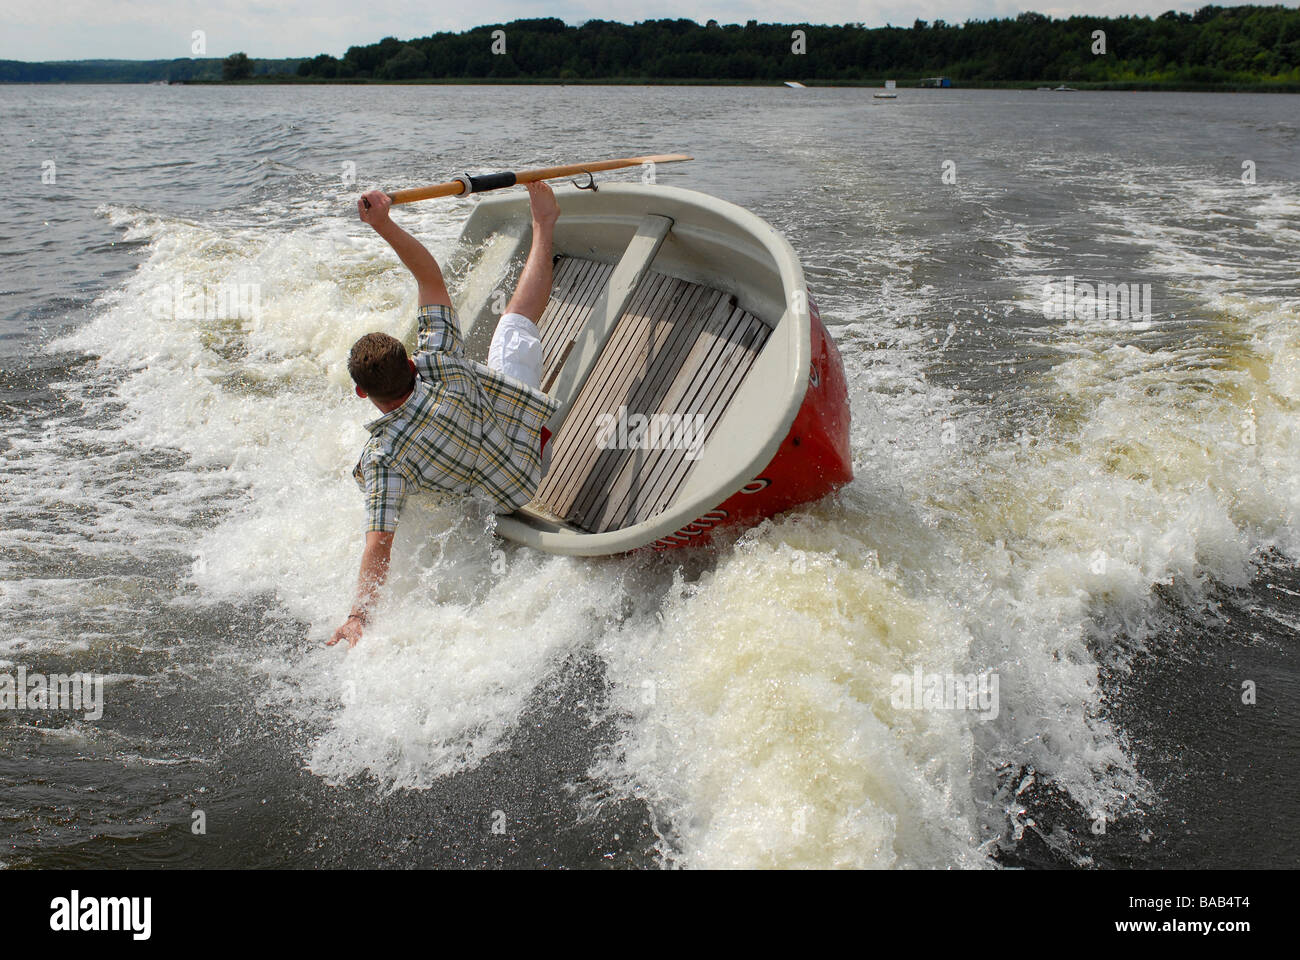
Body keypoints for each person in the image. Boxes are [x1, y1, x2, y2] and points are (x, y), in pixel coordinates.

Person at [328, 182, 561, 648]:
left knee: (386, 494)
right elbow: (428, 275)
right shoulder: (438, 358)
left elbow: (379, 542)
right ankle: (544, 224)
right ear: (411, 362)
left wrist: (359, 616)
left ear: (360, 392)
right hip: (529, 440)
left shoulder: (383, 458)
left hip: (508, 495)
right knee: (513, 323)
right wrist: (384, 224)